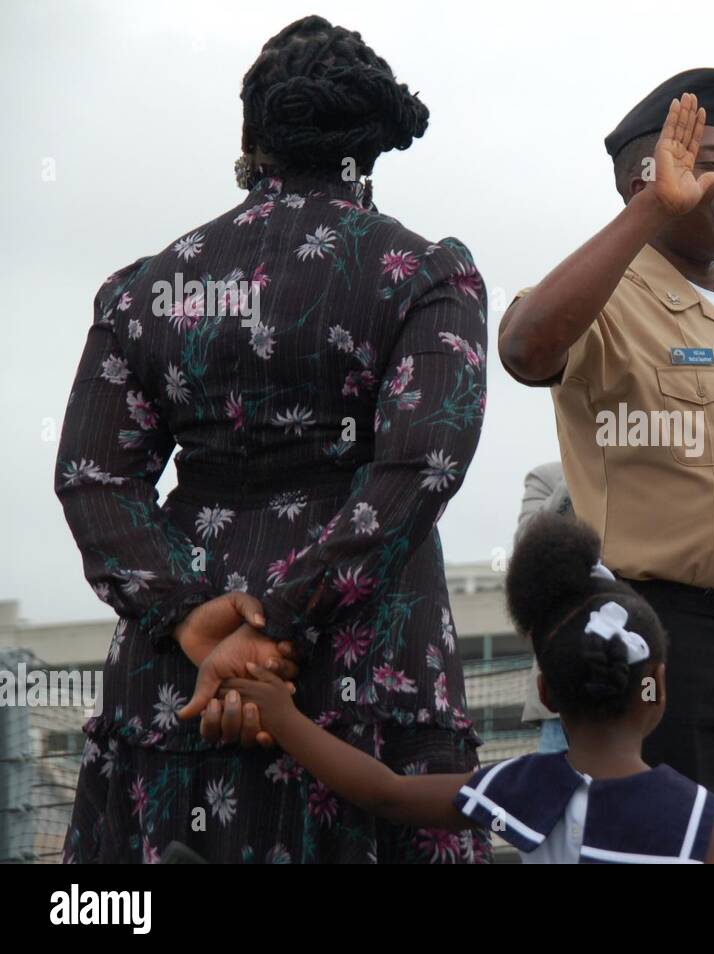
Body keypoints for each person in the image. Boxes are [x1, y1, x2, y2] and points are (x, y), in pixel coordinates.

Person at [54, 15, 490, 863]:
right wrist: (284, 624)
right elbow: (420, 466)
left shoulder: (143, 290)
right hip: (366, 672)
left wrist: (192, 623)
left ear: (252, 137)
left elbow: (91, 478)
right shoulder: (426, 276)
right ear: (370, 148)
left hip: (178, 677)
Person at [498, 69, 714, 863]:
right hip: (663, 636)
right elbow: (524, 347)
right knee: (663, 852)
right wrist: (652, 211)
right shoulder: (608, 304)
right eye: (711, 162)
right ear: (643, 181)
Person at [223, 513, 714, 863]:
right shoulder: (698, 818)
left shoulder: (529, 788)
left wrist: (285, 719)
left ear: (546, 692)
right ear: (656, 685)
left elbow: (387, 794)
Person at [515, 462, 572, 753]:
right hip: (564, 707)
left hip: (640, 696)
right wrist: (578, 473)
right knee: (556, 797)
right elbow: (527, 547)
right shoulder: (547, 477)